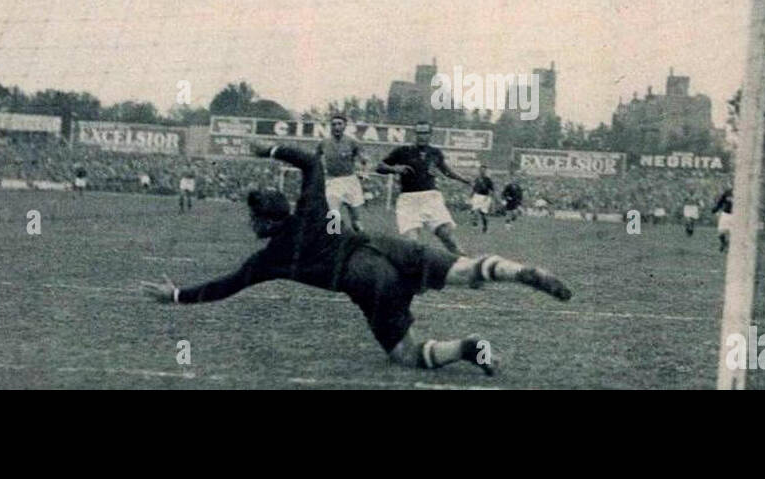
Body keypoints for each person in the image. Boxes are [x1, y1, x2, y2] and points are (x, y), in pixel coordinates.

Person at [140, 142, 572, 375]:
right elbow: (311, 161)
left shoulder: (271, 257)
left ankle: (469, 348)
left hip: (365, 279)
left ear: (261, 222)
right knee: (466, 268)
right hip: (385, 245)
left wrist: (176, 294)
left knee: (405, 354)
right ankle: (518, 271)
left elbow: (226, 285)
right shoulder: (308, 206)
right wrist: (269, 151)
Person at [376, 121, 472, 256]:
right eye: (419, 133)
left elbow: (446, 170)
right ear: (415, 134)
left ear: (430, 135)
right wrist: (394, 168)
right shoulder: (403, 151)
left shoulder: (435, 153)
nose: (422, 136)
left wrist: (463, 179)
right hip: (408, 200)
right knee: (412, 243)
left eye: (425, 133)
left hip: (431, 198)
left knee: (447, 236)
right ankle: (413, 273)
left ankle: (464, 264)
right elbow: (379, 166)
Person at [317, 114, 367, 233]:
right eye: (334, 124)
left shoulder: (352, 142)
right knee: (333, 215)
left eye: (339, 124)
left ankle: (364, 244)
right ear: (330, 127)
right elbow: (315, 158)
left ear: (345, 126)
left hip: (350, 182)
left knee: (356, 222)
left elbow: (364, 160)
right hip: (333, 181)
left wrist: (363, 170)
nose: (336, 127)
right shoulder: (324, 143)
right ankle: (333, 245)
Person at [469, 164, 495, 233]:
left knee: (483, 214)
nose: (482, 171)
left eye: (484, 170)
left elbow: (492, 190)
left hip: (485, 197)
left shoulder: (488, 180)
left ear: (486, 171)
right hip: (477, 196)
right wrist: (471, 196)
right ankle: (474, 228)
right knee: (475, 213)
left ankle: (485, 227)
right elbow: (474, 189)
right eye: (481, 170)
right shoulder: (477, 179)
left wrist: (488, 198)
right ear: (479, 170)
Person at [712, 188, 734, 254]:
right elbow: (721, 202)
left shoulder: (743, 193)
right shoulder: (728, 192)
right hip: (726, 214)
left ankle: (728, 247)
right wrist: (716, 208)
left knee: (733, 233)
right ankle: (723, 243)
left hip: (737, 216)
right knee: (721, 232)